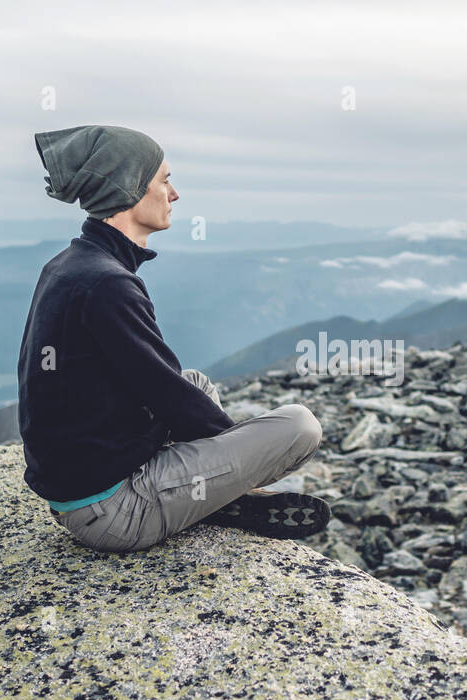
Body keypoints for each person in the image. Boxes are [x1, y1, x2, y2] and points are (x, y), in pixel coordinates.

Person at [18, 124, 330, 553]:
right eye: (164, 180)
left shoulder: (72, 265)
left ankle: (203, 496)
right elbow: (167, 395)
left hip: (78, 492)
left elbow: (158, 386)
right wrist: (237, 458)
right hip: (114, 512)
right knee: (300, 425)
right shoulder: (107, 284)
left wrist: (222, 453)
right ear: (129, 189)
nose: (175, 194)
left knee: (196, 382)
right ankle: (214, 497)